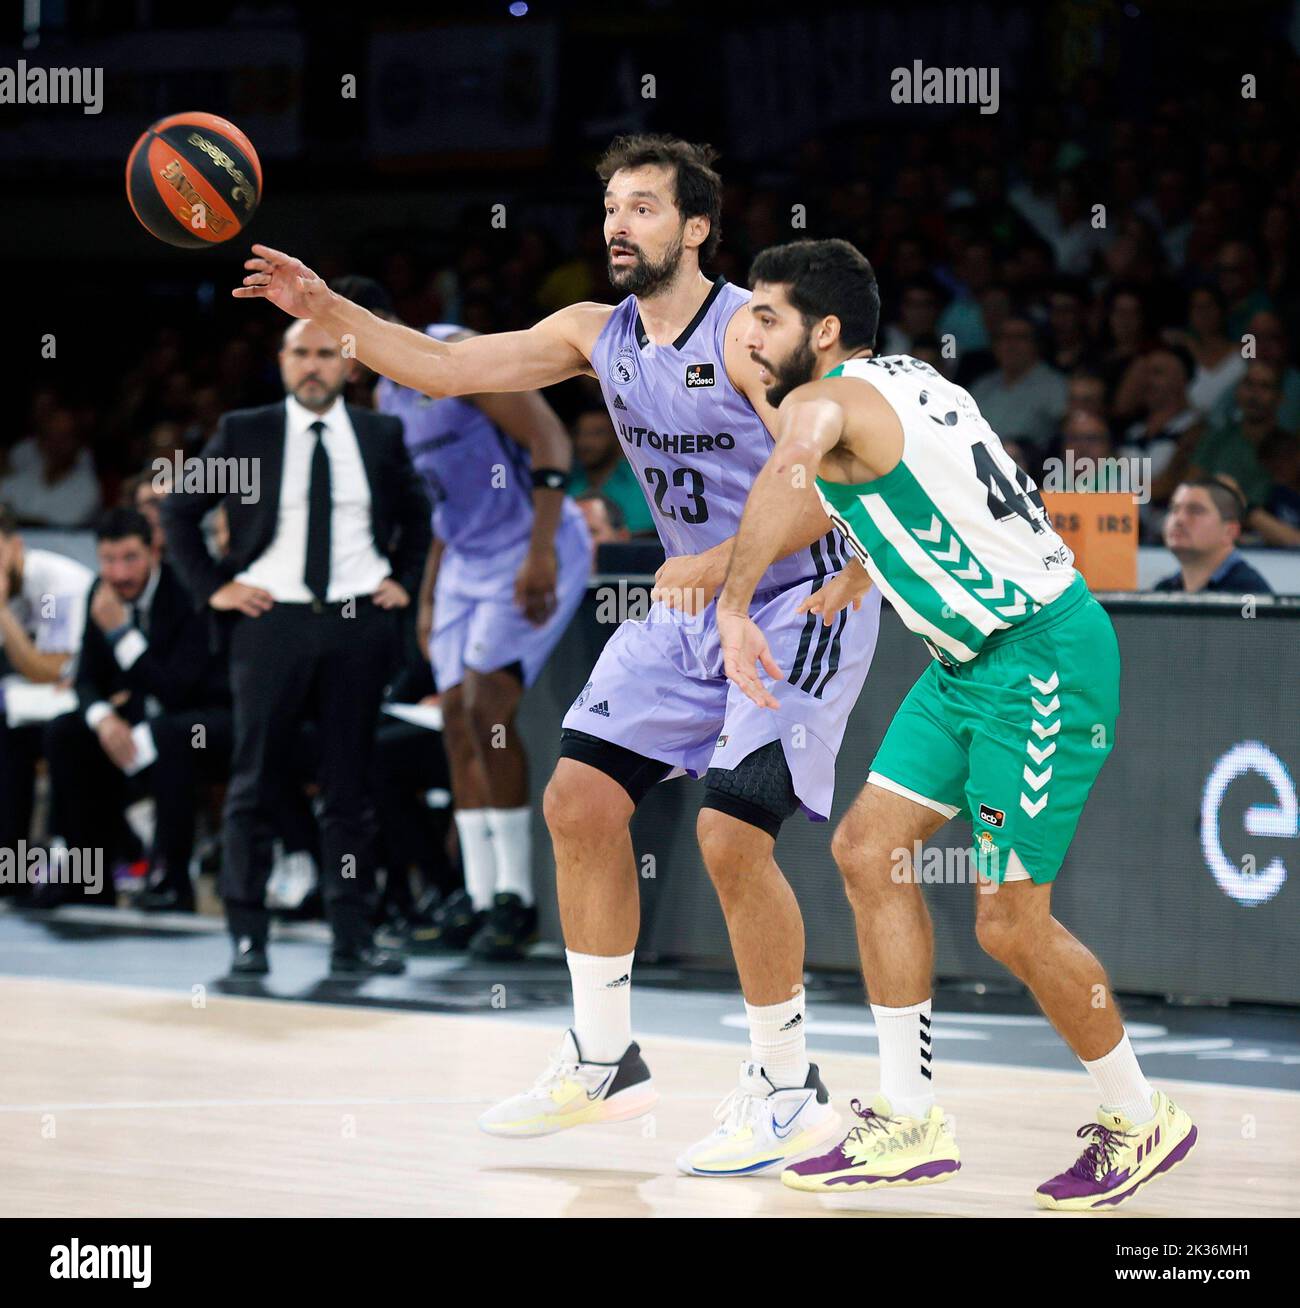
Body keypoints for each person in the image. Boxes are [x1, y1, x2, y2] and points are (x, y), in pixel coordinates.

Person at [234, 133, 881, 1176]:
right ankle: (603, 1058)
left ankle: (787, 1089)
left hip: (797, 601)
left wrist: (723, 560)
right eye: (611, 207)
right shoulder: (595, 331)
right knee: (577, 801)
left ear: (698, 227)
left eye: (643, 207)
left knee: (727, 837)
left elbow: (831, 481)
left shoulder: (751, 339)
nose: (618, 224)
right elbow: (444, 369)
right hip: (689, 607)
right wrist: (329, 313)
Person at [716, 237, 1196, 1210]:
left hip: (1039, 661)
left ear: (827, 330)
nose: (749, 332)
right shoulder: (914, 380)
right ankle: (908, 1118)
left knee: (1007, 921)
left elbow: (790, 469)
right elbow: (952, 495)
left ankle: (1142, 1116)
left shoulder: (824, 403)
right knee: (865, 849)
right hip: (964, 663)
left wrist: (731, 606)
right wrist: (872, 564)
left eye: (767, 316)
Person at [332, 274, 592, 961]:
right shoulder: (389, 394)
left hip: (531, 544)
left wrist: (541, 551)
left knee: (487, 710)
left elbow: (549, 441)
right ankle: (477, 897)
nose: (337, 364)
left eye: (338, 342)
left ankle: (516, 898)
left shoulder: (455, 357)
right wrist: (427, 595)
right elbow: (450, 506)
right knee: (453, 718)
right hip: (464, 563)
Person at [162, 319, 431, 977]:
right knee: (253, 779)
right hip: (269, 621)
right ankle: (248, 935)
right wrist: (214, 589)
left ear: (348, 365)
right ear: (281, 361)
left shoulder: (379, 435)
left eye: (324, 354)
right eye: (299, 354)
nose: (311, 366)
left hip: (355, 622)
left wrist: (403, 580)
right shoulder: (246, 431)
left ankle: (352, 935)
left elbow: (420, 516)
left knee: (350, 786)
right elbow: (177, 512)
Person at [43, 509, 233, 910]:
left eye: (130, 558)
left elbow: (176, 690)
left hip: (208, 719)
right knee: (67, 732)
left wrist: (121, 634)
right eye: (108, 560)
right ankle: (87, 879)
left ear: (154, 552)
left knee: (169, 733)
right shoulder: (103, 592)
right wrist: (104, 719)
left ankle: (171, 879)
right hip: (143, 720)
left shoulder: (187, 590)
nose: (119, 572)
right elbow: (86, 679)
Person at [0, 504, 93, 869]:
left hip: (89, 697)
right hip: (39, 703)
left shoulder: (54, 586)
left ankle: (71, 859)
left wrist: (3, 612)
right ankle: (11, 869)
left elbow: (48, 669)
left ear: (16, 545)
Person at [1153, 479, 1273, 594]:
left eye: (1195, 510)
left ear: (1230, 531)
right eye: (1174, 509)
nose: (1179, 519)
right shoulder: (1163, 589)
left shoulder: (1249, 593)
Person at [567, 404, 656, 535]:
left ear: (618, 437)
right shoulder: (567, 480)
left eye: (597, 433)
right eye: (580, 433)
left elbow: (648, 535)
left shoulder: (644, 480)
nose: (586, 442)